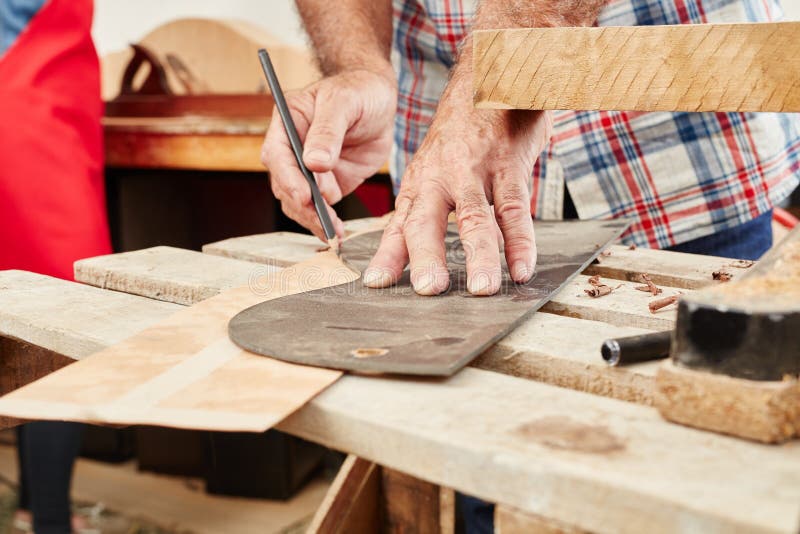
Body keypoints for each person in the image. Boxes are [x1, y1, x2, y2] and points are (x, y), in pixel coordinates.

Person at [262, 0, 799, 531]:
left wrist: (499, 80)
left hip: (679, 144)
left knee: (697, 475)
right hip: (450, 154)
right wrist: (359, 65)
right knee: (477, 483)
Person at [1, 0, 110, 532]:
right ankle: (49, 521)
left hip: (39, 112)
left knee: (27, 314)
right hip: (27, 124)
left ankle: (34, 505)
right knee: (68, 321)